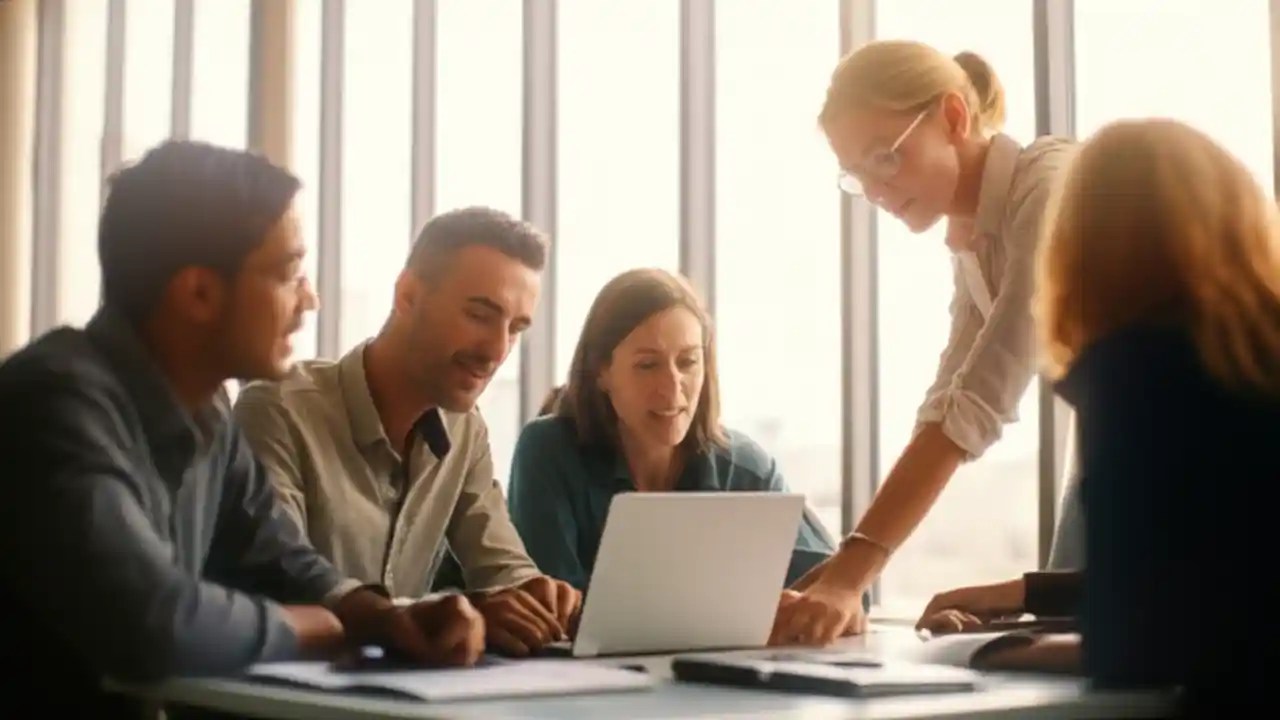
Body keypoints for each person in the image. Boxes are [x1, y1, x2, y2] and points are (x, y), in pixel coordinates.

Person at [0, 142, 484, 716]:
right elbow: (153, 624)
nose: (310, 300)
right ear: (199, 293)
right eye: (288, 274)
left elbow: (279, 559)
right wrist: (316, 629)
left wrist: (385, 616)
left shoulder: (209, 411)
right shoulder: (53, 402)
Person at [926, 119, 1280, 712]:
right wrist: (1022, 593)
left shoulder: (1140, 371)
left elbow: (1138, 640)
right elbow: (1215, 569)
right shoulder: (1254, 356)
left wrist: (992, 654)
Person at [771, 40, 1077, 645]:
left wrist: (854, 572)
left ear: (954, 118)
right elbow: (946, 402)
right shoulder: (974, 243)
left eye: (885, 157)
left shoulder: (1050, 186)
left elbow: (981, 399)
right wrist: (834, 580)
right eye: (858, 176)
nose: (877, 192)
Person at [234, 206, 580, 658]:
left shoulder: (465, 432)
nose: (497, 351)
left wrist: (534, 594)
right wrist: (453, 613)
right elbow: (284, 581)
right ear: (408, 295)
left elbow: (502, 567)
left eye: (514, 329)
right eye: (479, 314)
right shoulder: (278, 409)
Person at [507, 268, 836, 593]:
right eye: (648, 365)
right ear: (601, 373)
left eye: (688, 362)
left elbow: (838, 588)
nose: (672, 388)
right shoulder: (548, 451)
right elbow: (549, 605)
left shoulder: (746, 468)